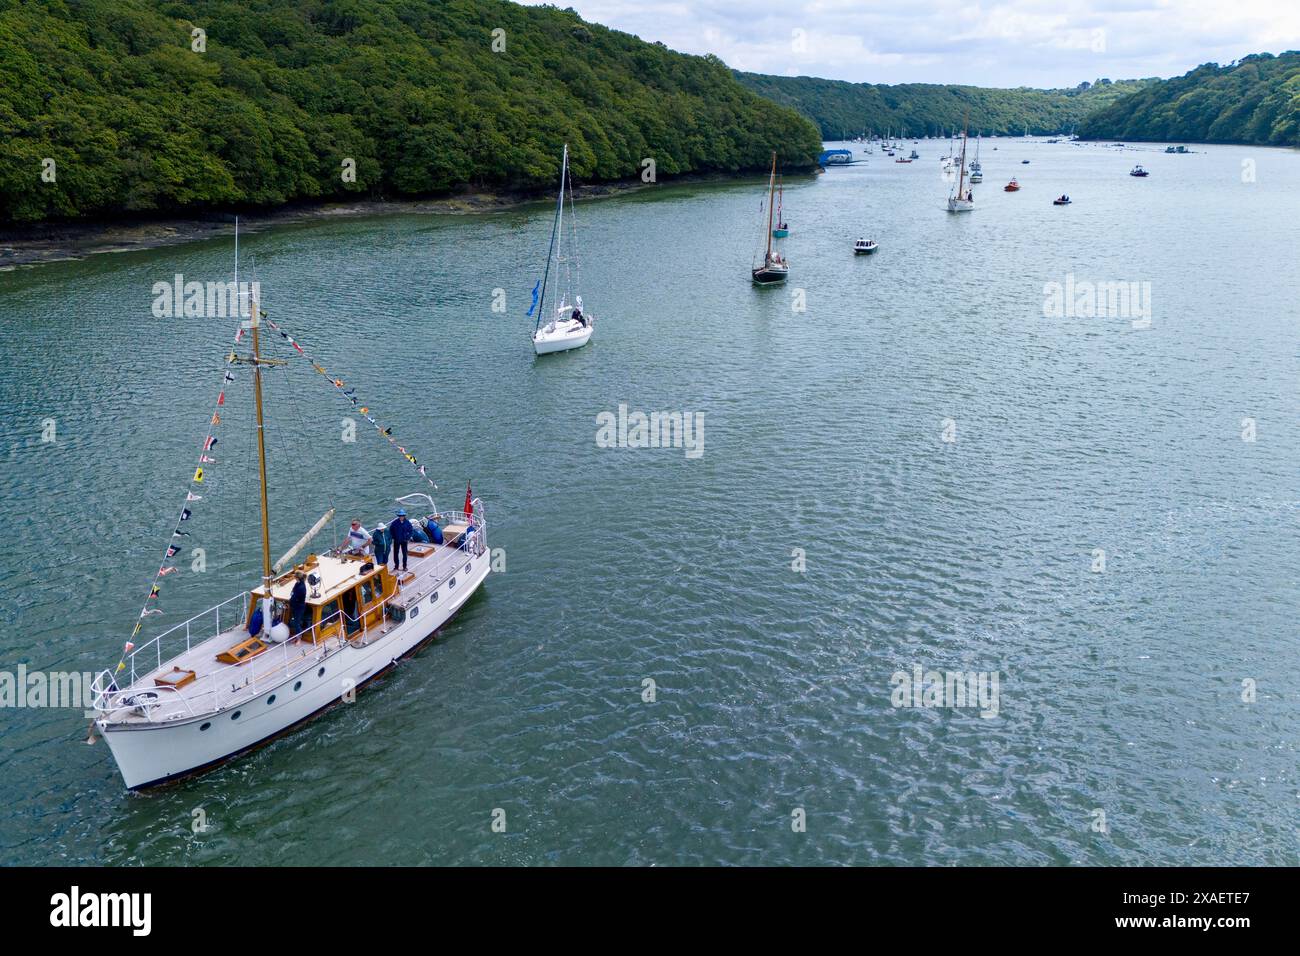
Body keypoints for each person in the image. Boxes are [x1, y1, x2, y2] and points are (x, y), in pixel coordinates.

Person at [389, 508, 414, 572]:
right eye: (400, 516)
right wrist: (393, 537)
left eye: (402, 515)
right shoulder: (394, 523)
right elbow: (391, 531)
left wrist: (408, 538)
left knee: (405, 554)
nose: (401, 517)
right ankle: (396, 566)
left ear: (404, 516)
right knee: (395, 554)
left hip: (404, 541)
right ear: (398, 516)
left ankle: (404, 567)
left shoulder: (407, 523)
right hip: (396, 541)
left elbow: (411, 531)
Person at [289, 571, 308, 638]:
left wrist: (291, 598)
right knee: (296, 621)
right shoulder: (297, 584)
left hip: (299, 607)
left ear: (297, 578)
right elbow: (293, 590)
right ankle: (298, 634)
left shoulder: (301, 587)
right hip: (295, 606)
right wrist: (292, 593)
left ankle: (299, 638)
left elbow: (294, 597)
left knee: (296, 622)